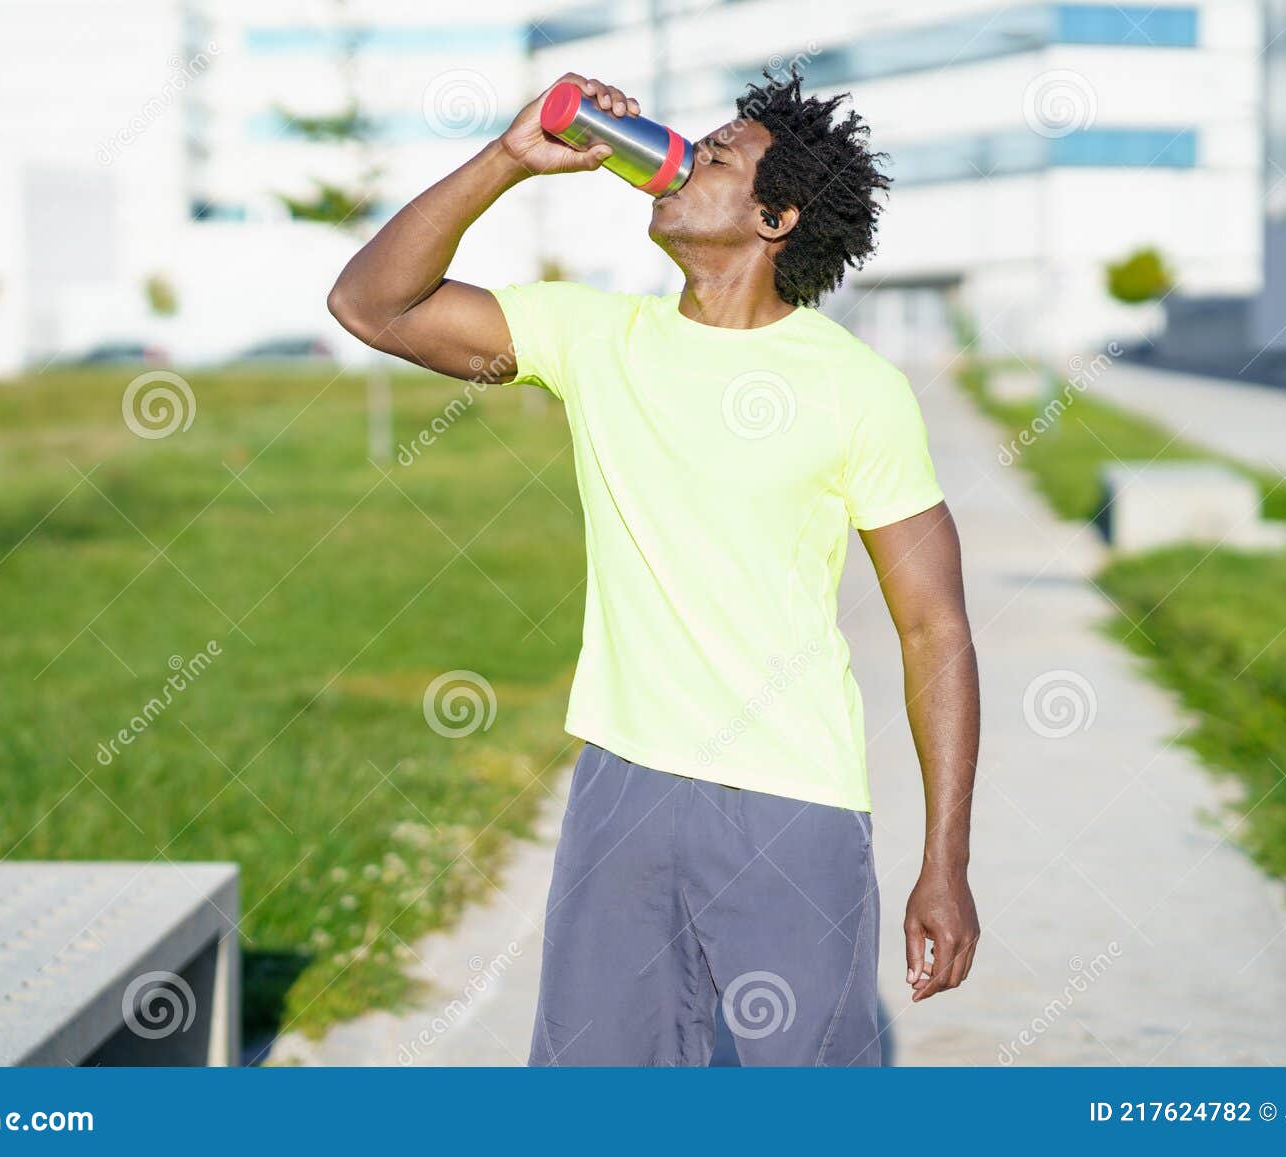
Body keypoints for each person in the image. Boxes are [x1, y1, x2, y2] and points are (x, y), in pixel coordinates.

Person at [327, 66, 980, 1067]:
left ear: (777, 218)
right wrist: (507, 160)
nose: (676, 159)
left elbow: (933, 625)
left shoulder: (858, 388)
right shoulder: (595, 334)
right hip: (621, 789)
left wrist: (944, 860)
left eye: (716, 156)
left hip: (788, 800)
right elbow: (370, 303)